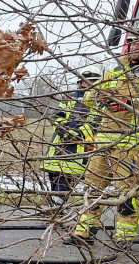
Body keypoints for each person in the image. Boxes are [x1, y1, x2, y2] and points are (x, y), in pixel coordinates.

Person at [64, 21, 139, 248]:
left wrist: (129, 102)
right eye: (131, 42)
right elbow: (89, 96)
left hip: (131, 142)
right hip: (104, 137)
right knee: (92, 187)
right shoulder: (117, 69)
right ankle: (84, 232)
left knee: (127, 191)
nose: (133, 47)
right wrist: (99, 96)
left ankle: (124, 237)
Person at [42, 68, 101, 206]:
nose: (87, 84)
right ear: (79, 82)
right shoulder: (69, 98)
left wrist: (77, 134)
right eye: (85, 81)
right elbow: (57, 116)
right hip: (58, 150)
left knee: (64, 185)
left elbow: (97, 123)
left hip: (78, 152)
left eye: (92, 81)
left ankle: (56, 211)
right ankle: (56, 209)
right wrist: (63, 130)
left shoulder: (99, 101)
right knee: (55, 184)